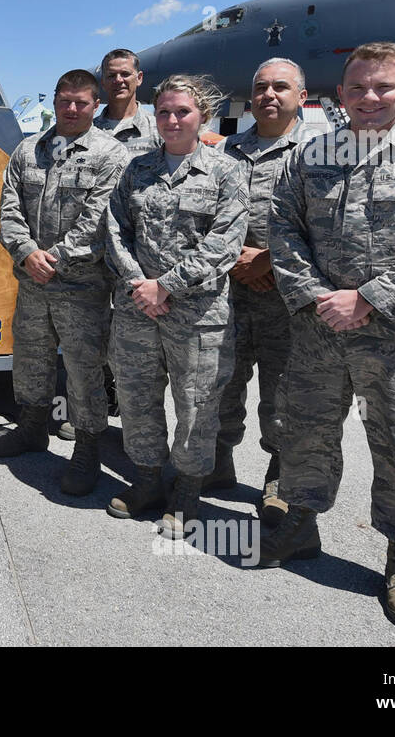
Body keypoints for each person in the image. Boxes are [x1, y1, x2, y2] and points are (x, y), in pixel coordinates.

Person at [257, 42, 395, 631]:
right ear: (341, 94)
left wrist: (369, 299)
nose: (370, 98)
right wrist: (314, 296)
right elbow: (283, 228)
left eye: (383, 87)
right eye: (358, 88)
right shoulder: (310, 157)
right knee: (304, 432)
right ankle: (300, 526)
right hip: (318, 330)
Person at [103, 74, 248, 537]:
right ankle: (147, 478)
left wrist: (165, 286)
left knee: (196, 404)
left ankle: (188, 488)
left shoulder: (226, 173)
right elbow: (114, 231)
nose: (171, 120)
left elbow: (224, 244)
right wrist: (137, 284)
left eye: (182, 111)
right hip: (136, 310)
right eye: (163, 111)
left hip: (197, 314)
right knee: (137, 396)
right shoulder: (137, 169)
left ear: (201, 114)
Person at [0, 69, 131, 496]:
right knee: (31, 357)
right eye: (63, 101)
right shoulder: (27, 150)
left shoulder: (111, 155)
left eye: (81, 103)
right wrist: (25, 253)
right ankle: (32, 426)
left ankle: (88, 447)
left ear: (95, 105)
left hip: (82, 287)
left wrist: (51, 258)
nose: (71, 109)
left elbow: (98, 222)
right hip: (32, 283)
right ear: (53, 101)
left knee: (84, 369)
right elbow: (8, 209)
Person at [214, 59, 315, 524]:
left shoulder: (318, 152)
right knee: (221, 383)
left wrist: (267, 260)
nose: (269, 95)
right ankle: (218, 462)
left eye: (280, 86)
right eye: (261, 87)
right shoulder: (228, 151)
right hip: (230, 293)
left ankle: (277, 479)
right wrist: (237, 260)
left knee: (283, 393)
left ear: (301, 95)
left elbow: (327, 224)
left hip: (288, 299)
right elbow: (205, 212)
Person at [49, 48, 163, 443]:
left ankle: (139, 431)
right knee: (85, 345)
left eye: (125, 74)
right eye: (111, 75)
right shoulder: (84, 126)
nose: (119, 81)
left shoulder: (158, 128)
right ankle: (84, 415)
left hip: (139, 254)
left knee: (140, 352)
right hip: (91, 259)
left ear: (139, 77)